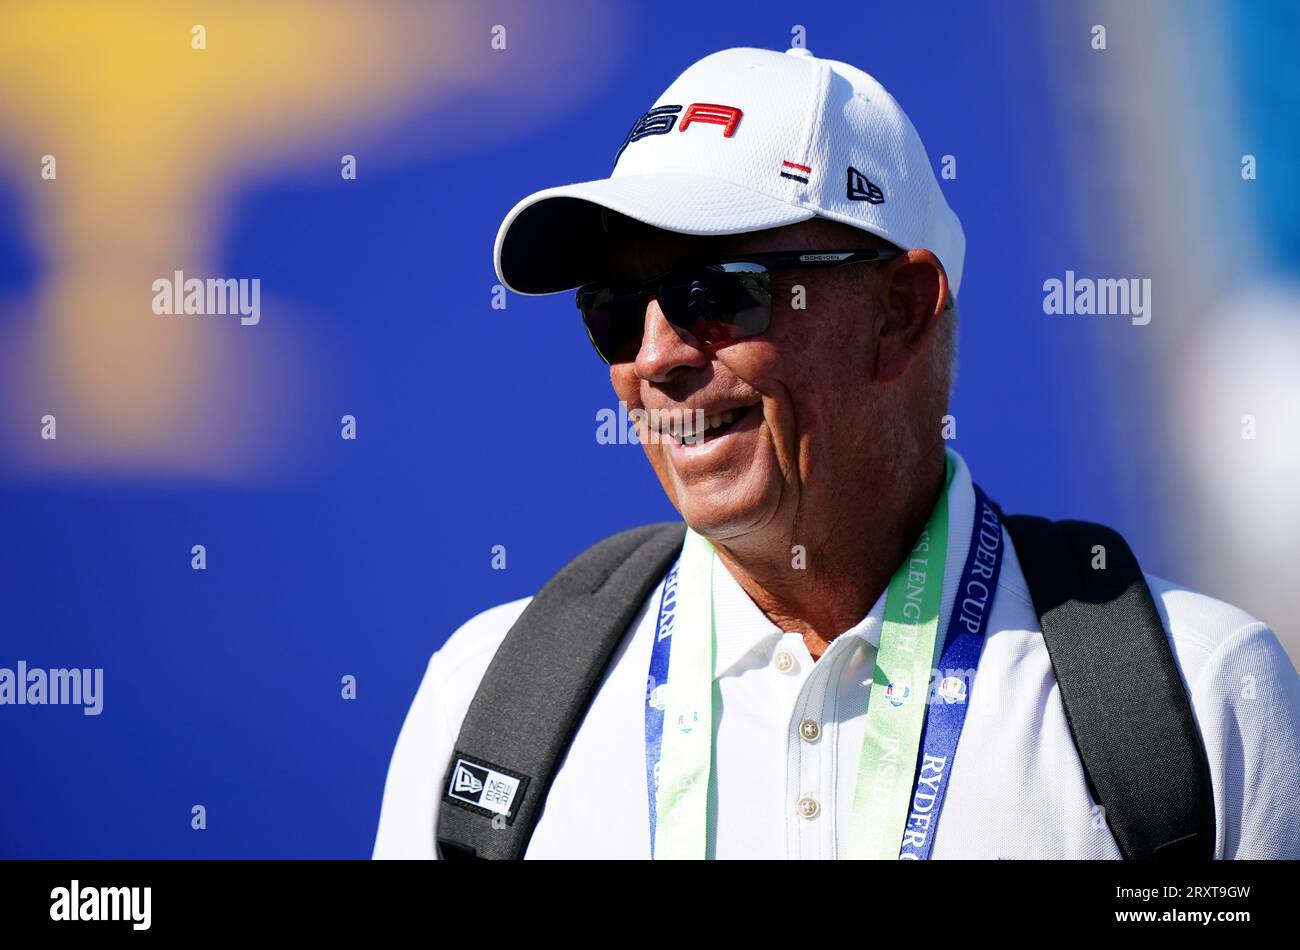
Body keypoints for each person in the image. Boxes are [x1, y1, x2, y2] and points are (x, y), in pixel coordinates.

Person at [373, 47, 1300, 859]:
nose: (652, 359)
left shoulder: (1200, 694)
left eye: (717, 292)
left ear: (898, 314)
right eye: (612, 312)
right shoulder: (486, 699)